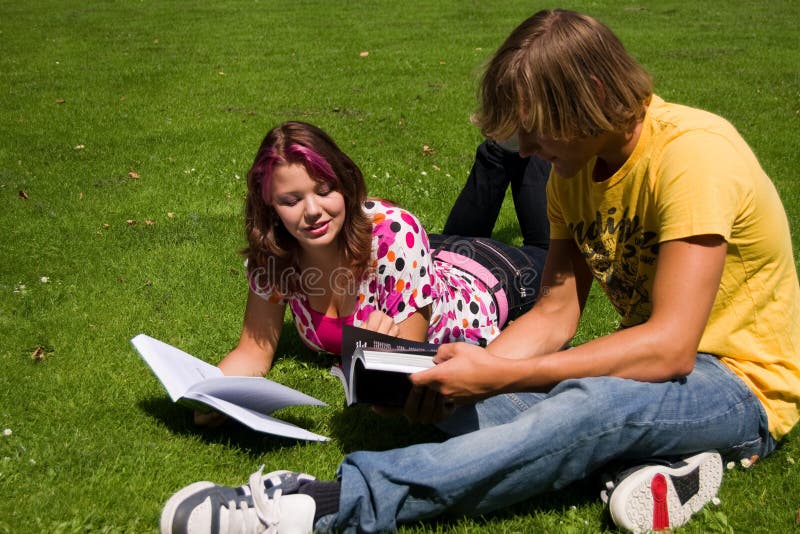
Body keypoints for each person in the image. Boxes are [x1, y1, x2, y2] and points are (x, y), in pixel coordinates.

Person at [160, 8, 800, 534]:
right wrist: (466, 373)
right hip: (653, 377)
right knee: (458, 413)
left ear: (594, 98)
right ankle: (669, 467)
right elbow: (553, 315)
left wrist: (509, 374)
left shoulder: (693, 158)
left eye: (536, 129)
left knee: (583, 407)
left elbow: (671, 346)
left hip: (743, 384)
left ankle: (322, 506)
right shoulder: (573, 175)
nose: (522, 150)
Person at [197, 120, 546, 425]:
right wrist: (212, 391)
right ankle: (505, 146)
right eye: (291, 200)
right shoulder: (274, 254)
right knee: (460, 231)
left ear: (344, 184)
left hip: (494, 277)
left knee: (543, 247)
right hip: (427, 258)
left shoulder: (395, 232)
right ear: (270, 206)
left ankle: (528, 136)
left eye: (324, 190)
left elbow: (407, 365)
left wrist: (382, 349)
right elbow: (253, 351)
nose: (313, 211)